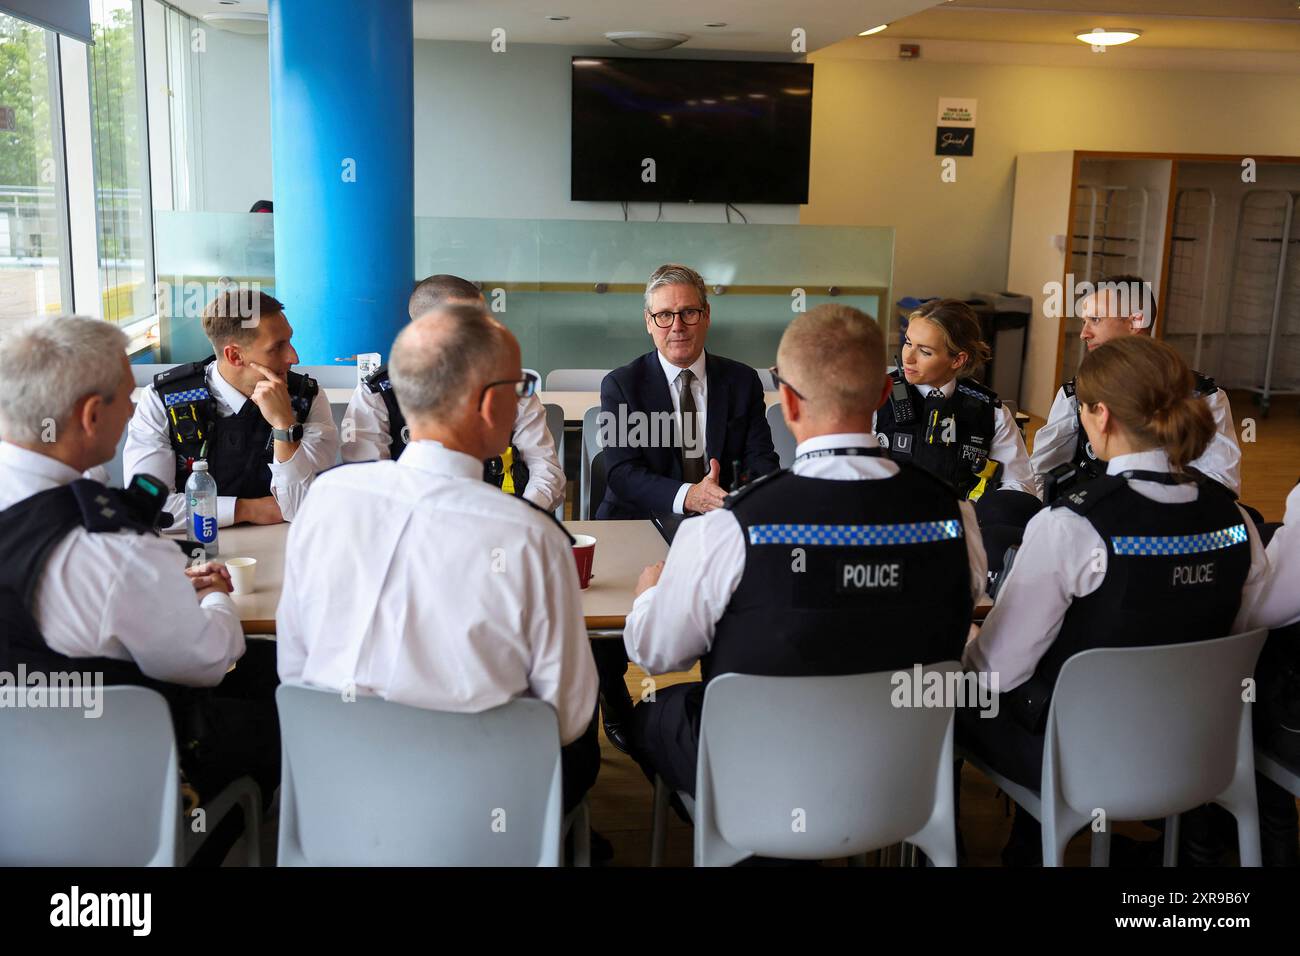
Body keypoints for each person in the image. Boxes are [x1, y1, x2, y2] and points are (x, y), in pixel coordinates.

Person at [622, 304, 988, 798]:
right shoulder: (954, 514)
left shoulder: (727, 527)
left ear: (788, 404)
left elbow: (657, 653)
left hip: (759, 773)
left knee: (653, 713)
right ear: (883, 394)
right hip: (901, 773)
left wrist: (649, 596)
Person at [277, 303, 599, 818]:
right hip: (479, 813)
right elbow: (566, 718)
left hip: (337, 802)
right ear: (493, 406)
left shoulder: (325, 502)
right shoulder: (530, 537)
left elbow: (293, 668)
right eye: (517, 390)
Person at [962, 335, 1270, 865]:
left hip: (1080, 758)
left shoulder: (1071, 525)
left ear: (1100, 416)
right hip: (1202, 749)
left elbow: (996, 675)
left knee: (948, 695)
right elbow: (1242, 632)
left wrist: (967, 640)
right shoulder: (1235, 520)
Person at [0, 316, 279, 864]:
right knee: (276, 691)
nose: (133, 411)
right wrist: (212, 597)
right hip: (115, 779)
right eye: (127, 399)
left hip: (16, 782)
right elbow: (207, 659)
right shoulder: (112, 546)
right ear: (90, 414)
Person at [592, 263, 780, 752]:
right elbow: (620, 473)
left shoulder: (741, 381)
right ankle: (613, 697)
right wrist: (686, 495)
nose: (677, 326)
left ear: (707, 315)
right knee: (607, 627)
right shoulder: (623, 384)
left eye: (689, 312)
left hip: (719, 518)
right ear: (648, 322)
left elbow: (763, 460)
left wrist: (731, 499)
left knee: (744, 603)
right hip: (639, 518)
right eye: (665, 316)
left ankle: (723, 703)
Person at [342, 274, 565, 513]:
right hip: (411, 523)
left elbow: (547, 472)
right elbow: (369, 482)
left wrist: (519, 520)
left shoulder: (510, 385)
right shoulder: (378, 393)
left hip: (500, 517)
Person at [123, 289, 339, 530]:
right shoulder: (164, 399)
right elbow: (147, 507)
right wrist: (248, 509)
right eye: (277, 347)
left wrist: (284, 427)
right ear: (234, 355)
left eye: (290, 340)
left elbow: (305, 506)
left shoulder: (305, 397)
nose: (294, 357)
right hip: (197, 552)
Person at [1030, 275, 1243, 502]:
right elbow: (1039, 475)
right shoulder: (1076, 394)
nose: (1084, 333)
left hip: (1173, 519)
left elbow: (1221, 481)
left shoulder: (1203, 397)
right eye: (1084, 321)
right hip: (1091, 516)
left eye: (1095, 319)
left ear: (1135, 323)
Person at [874, 298, 1040, 525]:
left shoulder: (990, 412)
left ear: (958, 359)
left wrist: (975, 512)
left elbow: (1019, 486)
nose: (908, 357)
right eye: (908, 343)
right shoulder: (875, 396)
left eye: (924, 351)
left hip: (959, 530)